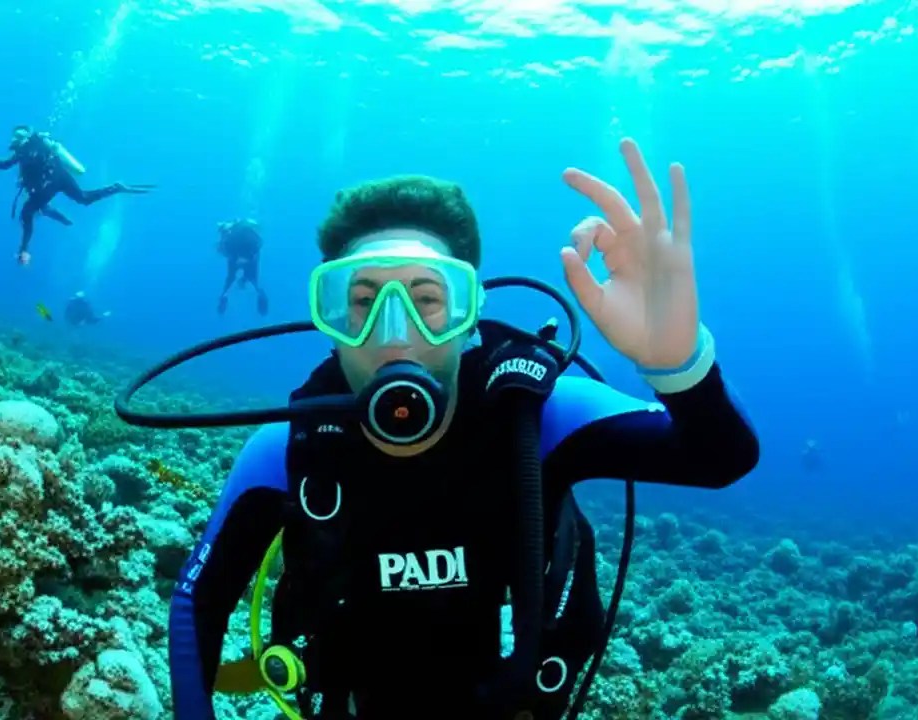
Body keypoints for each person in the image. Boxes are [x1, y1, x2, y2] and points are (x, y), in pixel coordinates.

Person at [163, 140, 761, 719]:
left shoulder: (538, 415)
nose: (391, 331)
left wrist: (680, 368)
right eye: (363, 299)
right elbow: (198, 601)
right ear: (335, 317)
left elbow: (719, 458)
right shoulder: (288, 450)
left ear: (467, 315)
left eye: (426, 299)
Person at [0, 126, 153, 265]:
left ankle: (24, 251)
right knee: (83, 198)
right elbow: (12, 164)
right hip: (60, 176)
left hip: (46, 186)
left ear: (25, 137)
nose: (14, 138)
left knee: (27, 213)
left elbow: (5, 164)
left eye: (17, 136)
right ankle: (115, 188)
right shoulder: (37, 143)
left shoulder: (24, 150)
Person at [216, 218, 268, 316]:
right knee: (247, 278)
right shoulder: (234, 235)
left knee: (243, 278)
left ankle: (225, 295)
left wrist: (247, 258)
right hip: (242, 256)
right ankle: (225, 296)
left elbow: (257, 244)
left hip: (247, 256)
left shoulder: (240, 232)